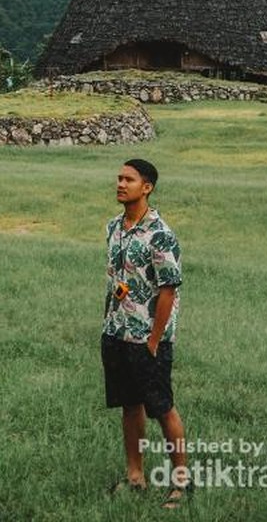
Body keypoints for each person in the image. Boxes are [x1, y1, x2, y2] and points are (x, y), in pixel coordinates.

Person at [101, 158, 191, 509]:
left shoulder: (160, 234)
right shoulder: (114, 227)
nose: (120, 184)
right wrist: (109, 324)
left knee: (162, 408)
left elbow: (168, 290)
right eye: (119, 178)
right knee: (129, 405)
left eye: (129, 179)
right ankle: (135, 476)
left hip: (148, 340)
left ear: (147, 187)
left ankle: (180, 482)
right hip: (116, 332)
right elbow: (115, 280)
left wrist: (154, 340)